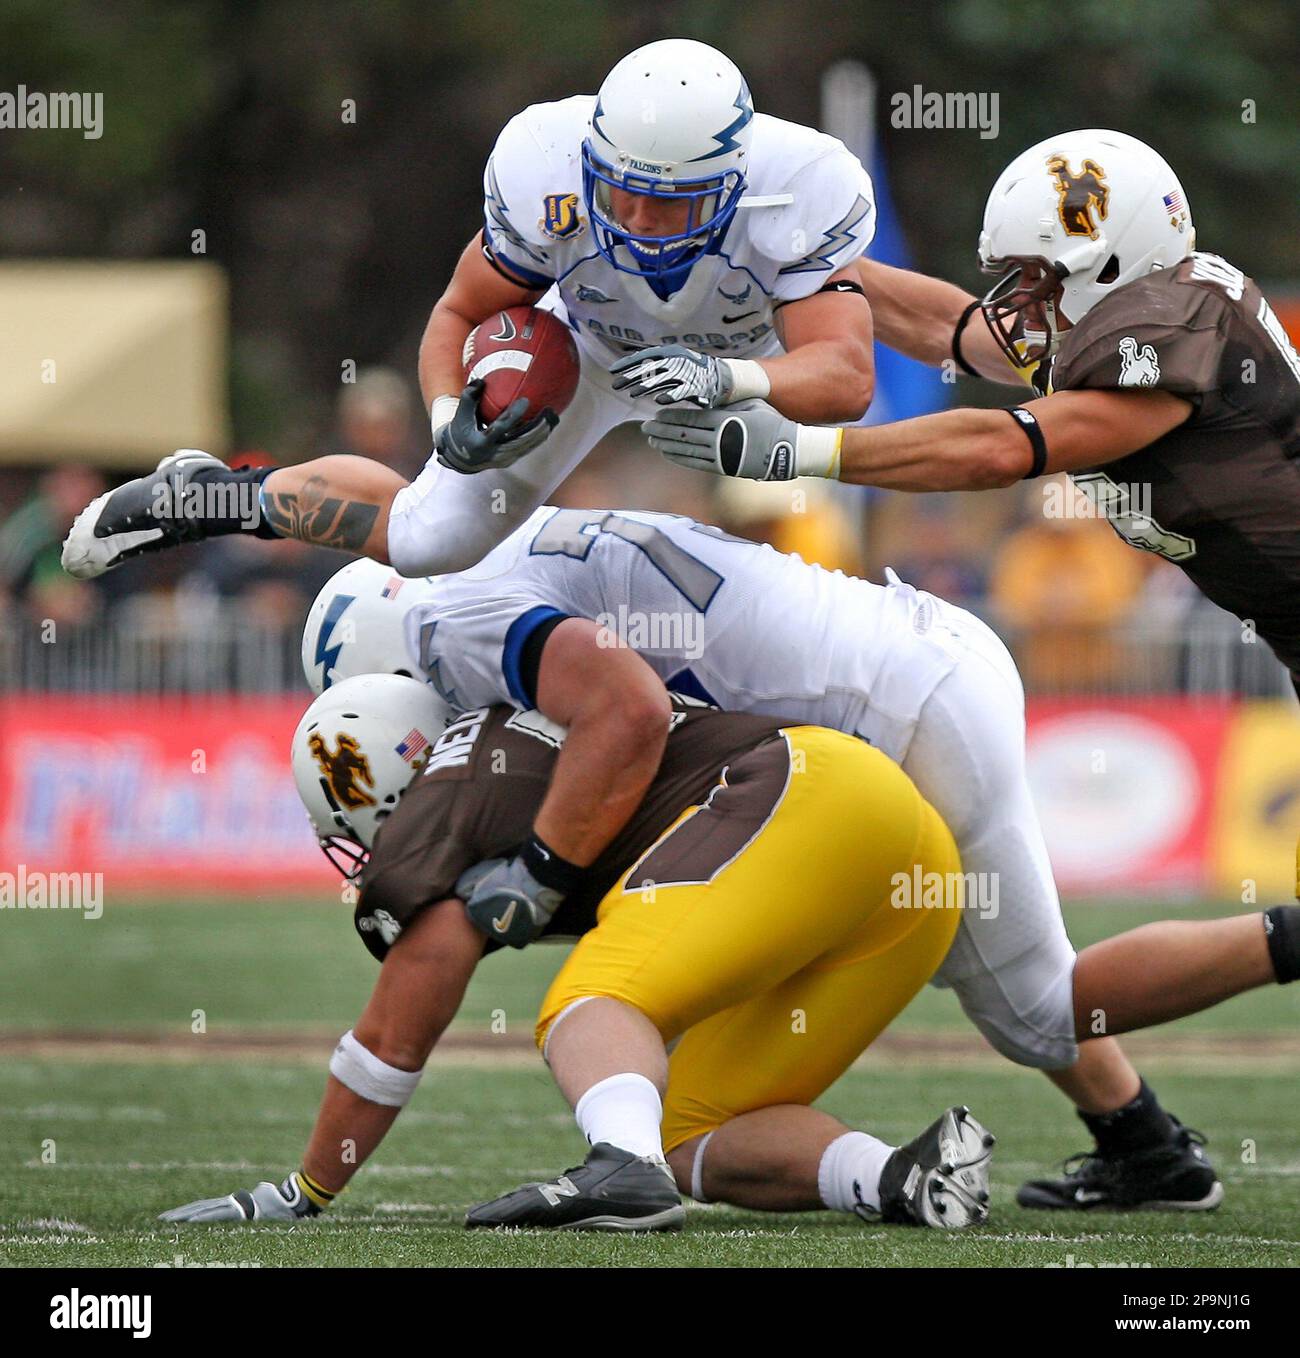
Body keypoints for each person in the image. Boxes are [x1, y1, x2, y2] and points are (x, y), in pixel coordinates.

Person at [160, 673, 993, 1232]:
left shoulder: (442, 794)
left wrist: (304, 1189)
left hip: (798, 796)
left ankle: (620, 1170)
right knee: (689, 1131)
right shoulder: (503, 741)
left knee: (588, 1008)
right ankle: (903, 1178)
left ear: (370, 783)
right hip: (904, 861)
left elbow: (395, 1035)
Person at [62, 38, 875, 583]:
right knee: (428, 541)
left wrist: (725, 377)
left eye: (671, 203)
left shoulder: (802, 184)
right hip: (593, 345)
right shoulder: (543, 165)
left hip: (741, 371)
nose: (637, 220)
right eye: (621, 191)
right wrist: (450, 410)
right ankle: (215, 495)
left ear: (734, 183)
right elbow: (457, 314)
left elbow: (845, 378)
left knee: (767, 545)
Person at [643, 128, 1300, 709]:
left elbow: (1003, 448)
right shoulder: (1145, 304)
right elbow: (952, 329)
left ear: (1113, 263)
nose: (1022, 301)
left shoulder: (1168, 329)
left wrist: (798, 451)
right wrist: (791, 260)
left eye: (1040, 279)